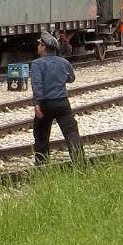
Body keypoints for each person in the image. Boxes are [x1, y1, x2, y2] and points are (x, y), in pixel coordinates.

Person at [30, 32, 85, 165]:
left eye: (39, 44)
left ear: (43, 47)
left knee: (41, 135)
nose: (38, 46)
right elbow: (71, 79)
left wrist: (37, 103)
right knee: (71, 133)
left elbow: (37, 85)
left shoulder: (37, 64)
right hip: (62, 103)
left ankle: (42, 165)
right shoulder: (64, 62)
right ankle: (80, 163)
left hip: (45, 104)